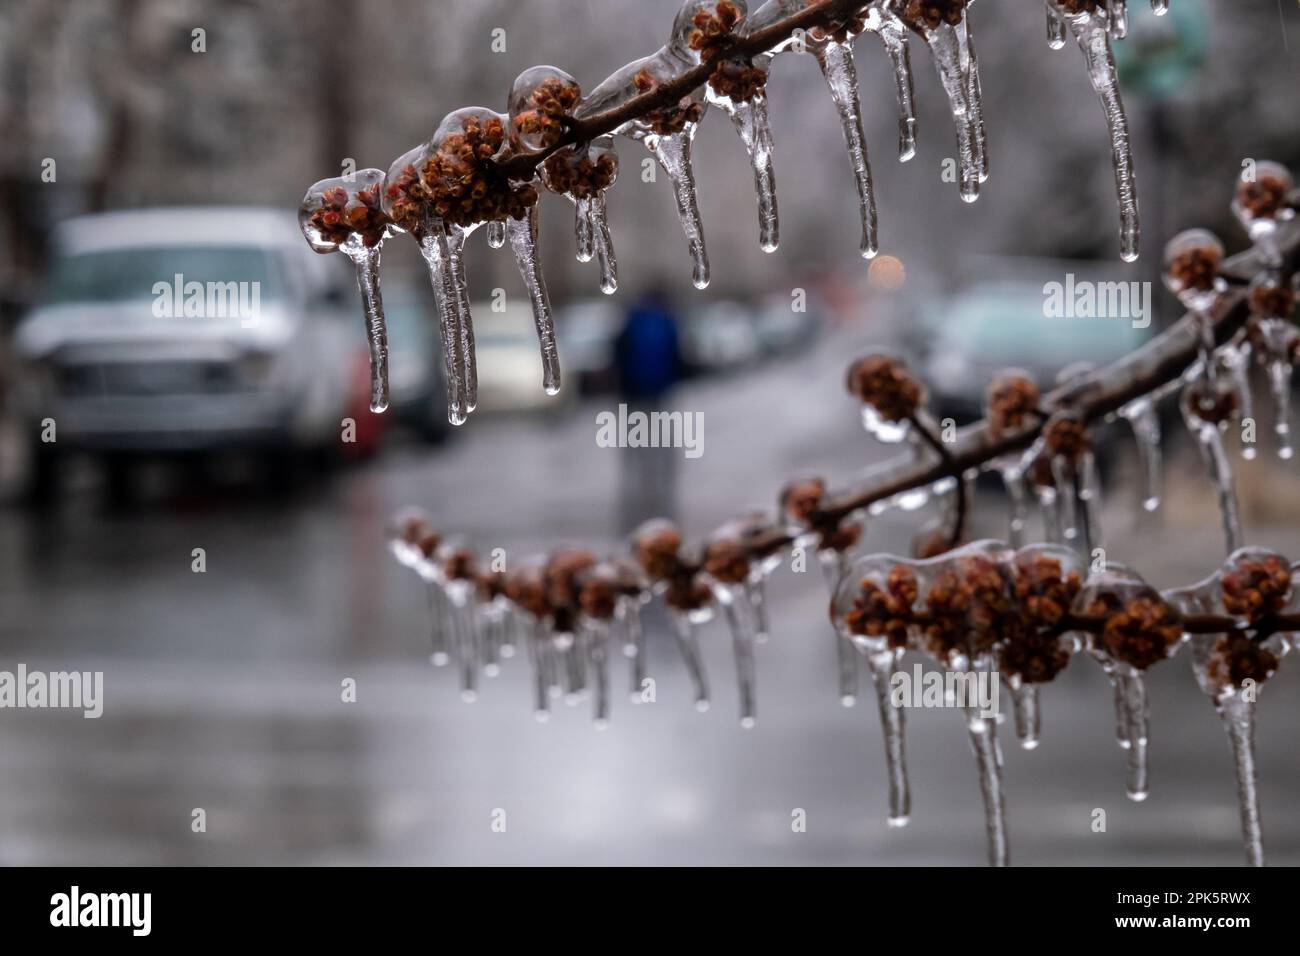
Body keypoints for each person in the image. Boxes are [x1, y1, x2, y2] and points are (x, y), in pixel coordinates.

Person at [613, 285, 684, 533]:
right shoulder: (665, 320)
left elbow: (618, 351)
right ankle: (658, 472)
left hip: (633, 389)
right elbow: (678, 353)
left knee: (635, 431)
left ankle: (638, 471)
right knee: (659, 431)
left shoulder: (632, 319)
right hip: (659, 388)